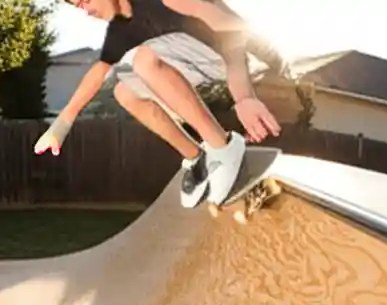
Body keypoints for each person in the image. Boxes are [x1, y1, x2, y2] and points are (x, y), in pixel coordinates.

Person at [35, 0, 285, 208]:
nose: (87, 11)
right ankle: (197, 158)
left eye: (86, 1)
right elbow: (98, 73)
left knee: (144, 59)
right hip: (207, 65)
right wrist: (61, 126)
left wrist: (244, 96)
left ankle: (223, 147)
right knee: (125, 91)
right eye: (80, 7)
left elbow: (230, 26)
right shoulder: (120, 31)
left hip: (244, 55)